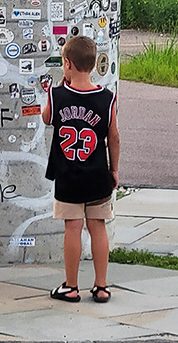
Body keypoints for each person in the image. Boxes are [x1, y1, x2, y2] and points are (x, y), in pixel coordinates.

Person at [43, 34, 120, 304]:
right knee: (97, 226)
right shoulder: (107, 98)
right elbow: (114, 136)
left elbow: (46, 118)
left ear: (67, 64)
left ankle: (71, 286)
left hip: (68, 175)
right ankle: (101, 286)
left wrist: (60, 86)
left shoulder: (57, 95)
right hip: (98, 173)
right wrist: (114, 169)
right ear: (92, 63)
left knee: (72, 227)